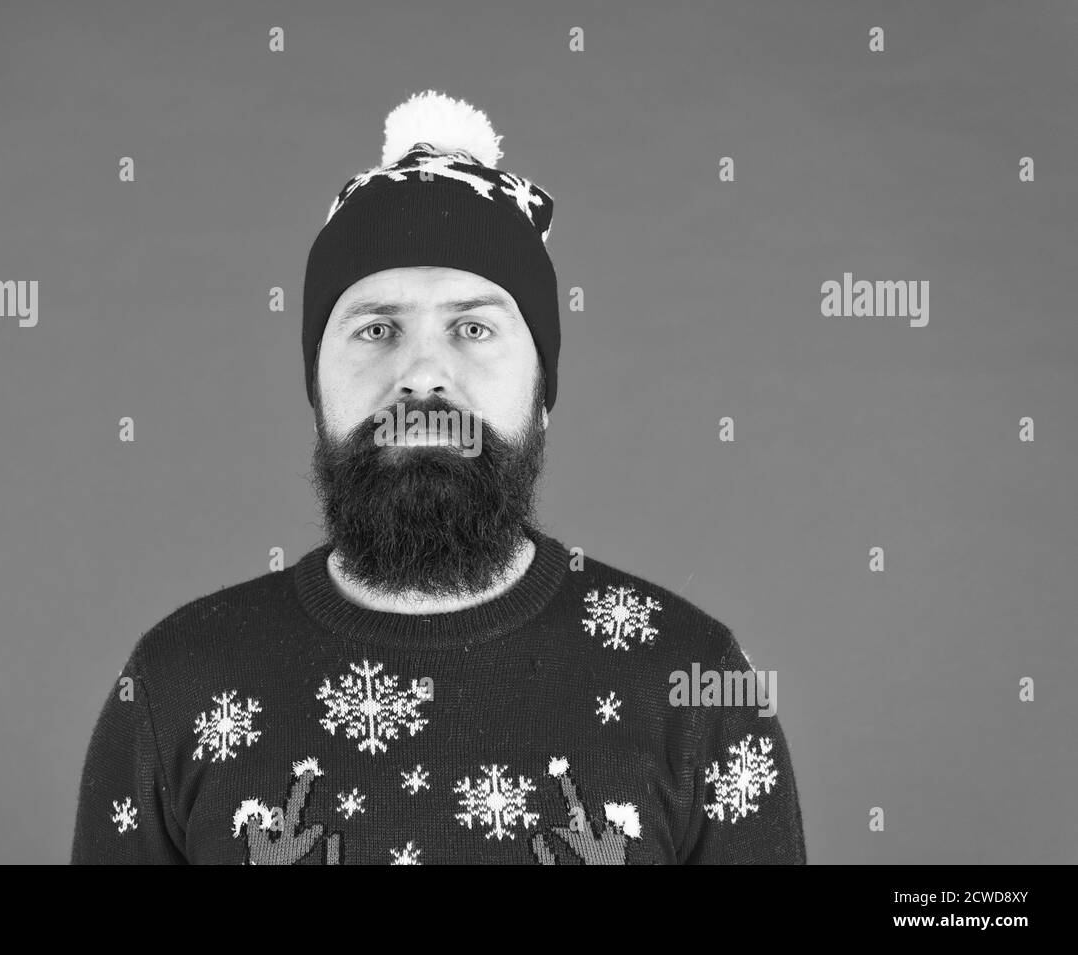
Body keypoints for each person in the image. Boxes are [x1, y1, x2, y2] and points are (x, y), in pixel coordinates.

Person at [70, 90, 806, 865]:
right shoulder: (176, 682)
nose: (422, 374)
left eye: (472, 327)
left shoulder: (696, 685)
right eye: (376, 328)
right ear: (317, 390)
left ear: (543, 393)